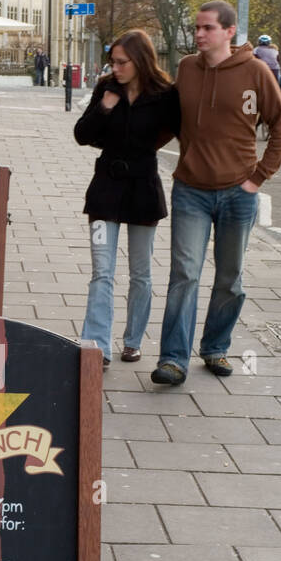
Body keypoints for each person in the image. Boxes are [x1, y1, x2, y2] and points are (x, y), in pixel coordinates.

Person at [151, 1, 281, 387]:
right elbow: (171, 120)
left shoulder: (256, 71)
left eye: (207, 28)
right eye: (197, 27)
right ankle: (172, 360)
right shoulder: (186, 68)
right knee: (184, 274)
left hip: (238, 192)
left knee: (230, 278)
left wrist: (258, 178)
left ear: (229, 32)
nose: (199, 34)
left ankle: (215, 347)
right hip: (190, 190)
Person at [74, 29, 180, 366]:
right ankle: (97, 347)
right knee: (102, 271)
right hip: (106, 190)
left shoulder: (164, 94)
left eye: (122, 62)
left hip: (143, 192)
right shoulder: (106, 88)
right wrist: (104, 109)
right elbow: (82, 135)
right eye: (113, 61)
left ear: (141, 61)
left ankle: (132, 341)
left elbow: (177, 132)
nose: (115, 68)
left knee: (141, 273)